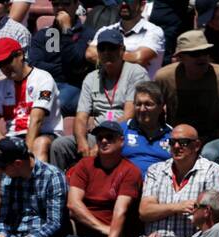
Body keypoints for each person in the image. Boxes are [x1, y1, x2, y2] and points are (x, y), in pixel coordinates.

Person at [50, 26, 148, 171]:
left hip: (124, 134)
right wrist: (82, 143)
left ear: (122, 50)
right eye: (102, 49)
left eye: (112, 48)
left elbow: (129, 116)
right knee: (60, 146)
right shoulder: (91, 78)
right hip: (96, 135)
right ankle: (58, 189)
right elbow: (81, 117)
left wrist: (102, 141)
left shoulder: (136, 73)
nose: (107, 53)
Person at [0, 36, 62, 164]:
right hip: (12, 138)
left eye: (7, 61)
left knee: (39, 144)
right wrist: (3, 142)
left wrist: (24, 151)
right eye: (0, 64)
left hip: (43, 134)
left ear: (20, 55)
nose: (5, 68)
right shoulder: (0, 86)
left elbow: (37, 120)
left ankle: (37, 182)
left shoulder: (43, 78)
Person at [64, 119, 141, 237]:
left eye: (109, 137)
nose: (104, 141)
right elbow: (73, 204)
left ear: (121, 140)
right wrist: (102, 228)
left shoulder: (131, 171)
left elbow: (121, 210)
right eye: (100, 137)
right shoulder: (84, 165)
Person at [153, 31, 219, 164]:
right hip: (176, 137)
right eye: (195, 54)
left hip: (215, 138)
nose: (202, 58)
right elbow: (154, 110)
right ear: (180, 57)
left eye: (205, 52)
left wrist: (214, 136)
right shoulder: (164, 77)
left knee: (210, 154)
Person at [138, 125, 219, 237]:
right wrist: (177, 207)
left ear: (196, 146)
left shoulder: (211, 170)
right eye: (172, 142)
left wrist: (160, 210)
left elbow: (216, 213)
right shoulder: (155, 170)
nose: (176, 146)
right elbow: (145, 211)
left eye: (183, 142)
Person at [27, 0, 89, 116]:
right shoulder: (43, 34)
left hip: (72, 86)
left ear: (76, 5)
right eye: (56, 4)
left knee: (57, 104)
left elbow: (76, 62)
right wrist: (65, 69)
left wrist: (66, 30)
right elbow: (34, 64)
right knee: (36, 105)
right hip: (47, 84)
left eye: (66, 3)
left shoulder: (86, 33)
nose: (60, 8)